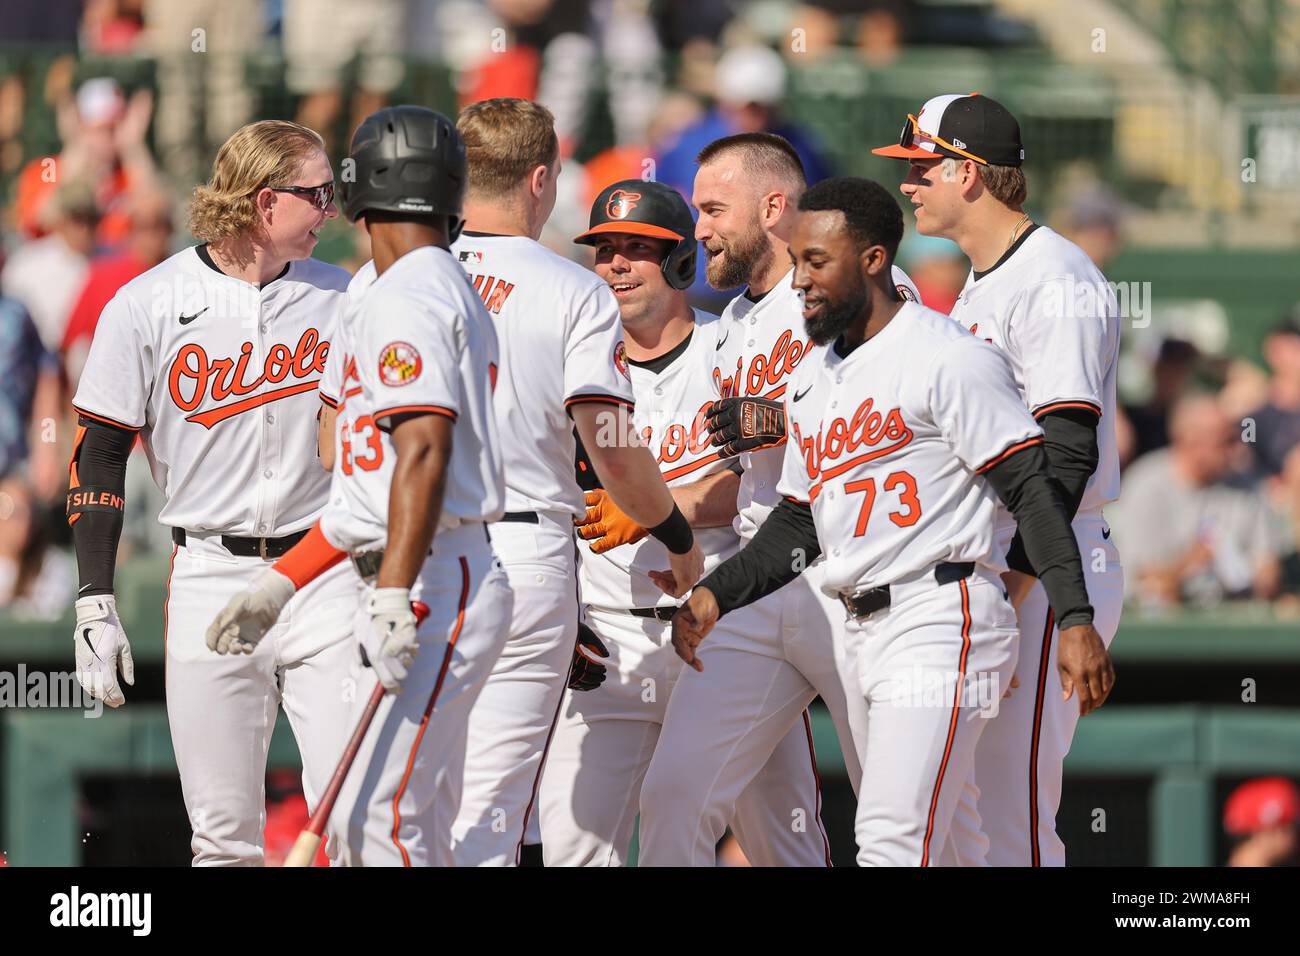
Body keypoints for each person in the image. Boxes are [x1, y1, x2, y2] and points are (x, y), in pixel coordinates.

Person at [669, 176, 1110, 866]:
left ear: (873, 260)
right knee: (961, 843)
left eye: (817, 262)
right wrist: (716, 593)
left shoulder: (949, 356)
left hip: (940, 611)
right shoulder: (814, 379)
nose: (801, 282)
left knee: (888, 839)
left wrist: (1074, 616)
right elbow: (797, 523)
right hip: (857, 626)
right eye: (798, 263)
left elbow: (1033, 489)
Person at [209, 105, 516, 866]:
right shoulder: (401, 284)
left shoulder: (410, 291)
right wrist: (283, 582)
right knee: (388, 815)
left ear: (359, 184)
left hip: (434, 575)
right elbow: (364, 497)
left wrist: (390, 593)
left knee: (378, 817)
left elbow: (423, 450)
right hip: (427, 568)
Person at [68, 120, 355, 866]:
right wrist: (94, 598)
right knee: (224, 838)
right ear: (265, 203)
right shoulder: (148, 301)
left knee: (353, 815)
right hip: (208, 571)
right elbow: (99, 453)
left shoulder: (345, 297)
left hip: (323, 570)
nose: (333, 209)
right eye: (318, 194)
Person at [634, 135, 917, 866]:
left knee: (898, 810)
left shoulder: (853, 286)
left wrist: (785, 419)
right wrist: (668, 519)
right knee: (674, 797)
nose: (700, 229)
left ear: (773, 206)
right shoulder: (725, 333)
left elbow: (903, 412)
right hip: (763, 574)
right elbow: (738, 481)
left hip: (854, 570)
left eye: (713, 209)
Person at [537, 178, 836, 866]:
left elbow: (770, 482)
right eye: (604, 249)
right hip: (606, 642)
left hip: (725, 636)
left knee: (784, 846)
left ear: (679, 264)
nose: (615, 263)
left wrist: (654, 506)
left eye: (638, 249)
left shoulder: (728, 351)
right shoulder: (571, 369)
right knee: (574, 852)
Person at [446, 98, 704, 866]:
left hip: (409, 554)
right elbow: (613, 444)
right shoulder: (570, 289)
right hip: (524, 553)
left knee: (422, 796)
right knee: (494, 813)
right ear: (539, 178)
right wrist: (674, 531)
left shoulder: (386, 280)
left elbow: (335, 441)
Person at [873, 92, 1122, 866]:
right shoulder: (986, 282)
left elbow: (1068, 458)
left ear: (969, 173)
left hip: (1052, 565)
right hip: (1009, 564)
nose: (908, 185)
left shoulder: (1055, 279)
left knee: (1013, 818)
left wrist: (1008, 597)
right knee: (970, 818)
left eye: (921, 167)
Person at [1111, 394, 1283, 607]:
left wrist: (1257, 574)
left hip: (1232, 617)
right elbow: (1144, 582)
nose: (1237, 450)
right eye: (1225, 442)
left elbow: (1267, 569)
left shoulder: (1246, 487)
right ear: (1192, 441)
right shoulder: (1146, 485)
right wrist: (1192, 562)